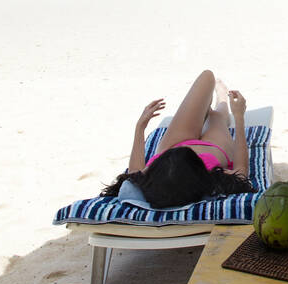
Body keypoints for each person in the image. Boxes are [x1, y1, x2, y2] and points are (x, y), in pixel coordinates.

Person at [102, 69, 253, 209]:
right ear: (200, 173)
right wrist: (239, 116)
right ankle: (221, 98)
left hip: (173, 144)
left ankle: (205, 109)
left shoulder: (151, 182)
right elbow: (241, 171)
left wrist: (140, 127)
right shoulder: (212, 180)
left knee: (207, 78)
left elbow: (134, 171)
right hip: (214, 148)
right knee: (218, 116)